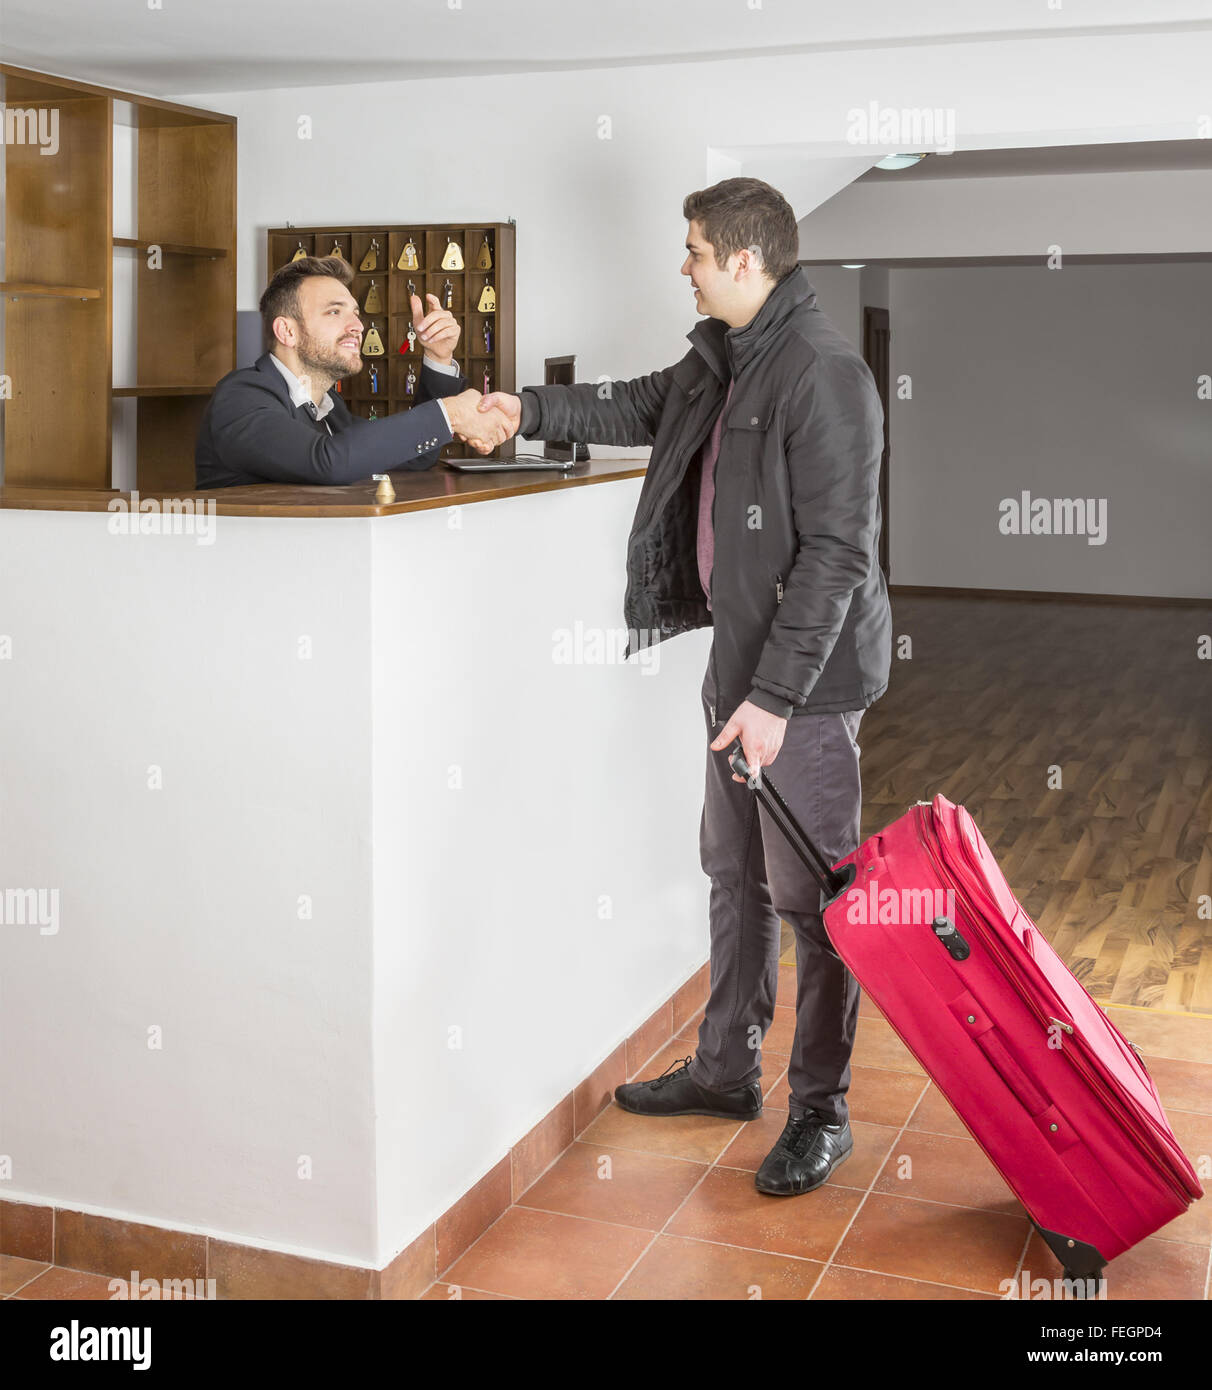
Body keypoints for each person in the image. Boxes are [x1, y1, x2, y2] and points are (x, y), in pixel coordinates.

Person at [478, 178, 892, 1197]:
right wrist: (519, 407)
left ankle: (821, 1110)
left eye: (697, 250)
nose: (685, 264)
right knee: (732, 873)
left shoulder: (824, 374)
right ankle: (723, 1069)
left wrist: (776, 701)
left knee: (814, 902)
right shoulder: (723, 357)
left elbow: (838, 559)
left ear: (745, 263)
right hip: (738, 666)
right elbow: (629, 404)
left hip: (805, 688)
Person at [194, 255, 512, 488]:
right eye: (335, 311)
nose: (358, 326)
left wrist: (438, 357)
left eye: (356, 314)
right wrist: (452, 413)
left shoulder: (330, 410)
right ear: (287, 332)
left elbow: (417, 456)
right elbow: (328, 461)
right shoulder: (241, 396)